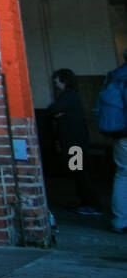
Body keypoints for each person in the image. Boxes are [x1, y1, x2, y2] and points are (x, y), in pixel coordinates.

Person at [50, 68, 98, 215]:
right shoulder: (71, 95)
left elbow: (53, 110)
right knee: (78, 171)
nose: (55, 81)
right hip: (75, 140)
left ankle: (91, 203)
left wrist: (58, 113)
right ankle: (85, 200)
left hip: (74, 141)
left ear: (63, 80)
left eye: (56, 79)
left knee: (80, 171)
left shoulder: (68, 96)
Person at [98, 52, 127, 234]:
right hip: (75, 147)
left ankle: (120, 220)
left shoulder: (114, 75)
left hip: (119, 133)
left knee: (123, 175)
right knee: (75, 163)